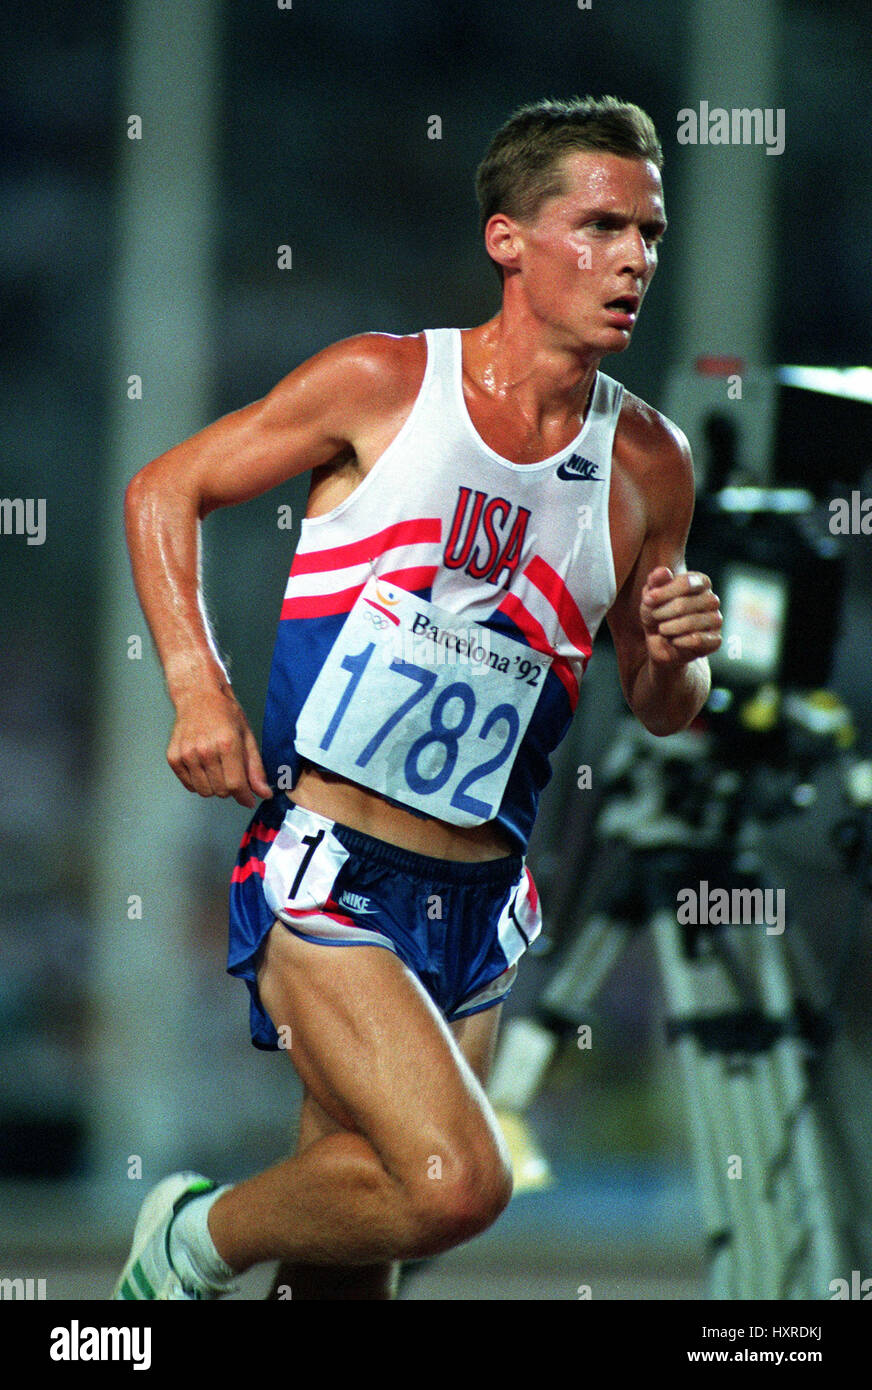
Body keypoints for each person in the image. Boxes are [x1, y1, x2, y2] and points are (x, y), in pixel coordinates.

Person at [113, 95, 722, 1302]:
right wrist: (197, 684)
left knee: (368, 1252)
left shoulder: (649, 460)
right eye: (599, 227)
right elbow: (163, 487)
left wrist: (678, 650)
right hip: (328, 867)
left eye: (648, 235)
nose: (634, 261)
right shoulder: (384, 382)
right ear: (507, 240)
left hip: (481, 898)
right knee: (455, 1183)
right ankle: (189, 1233)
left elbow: (662, 702)